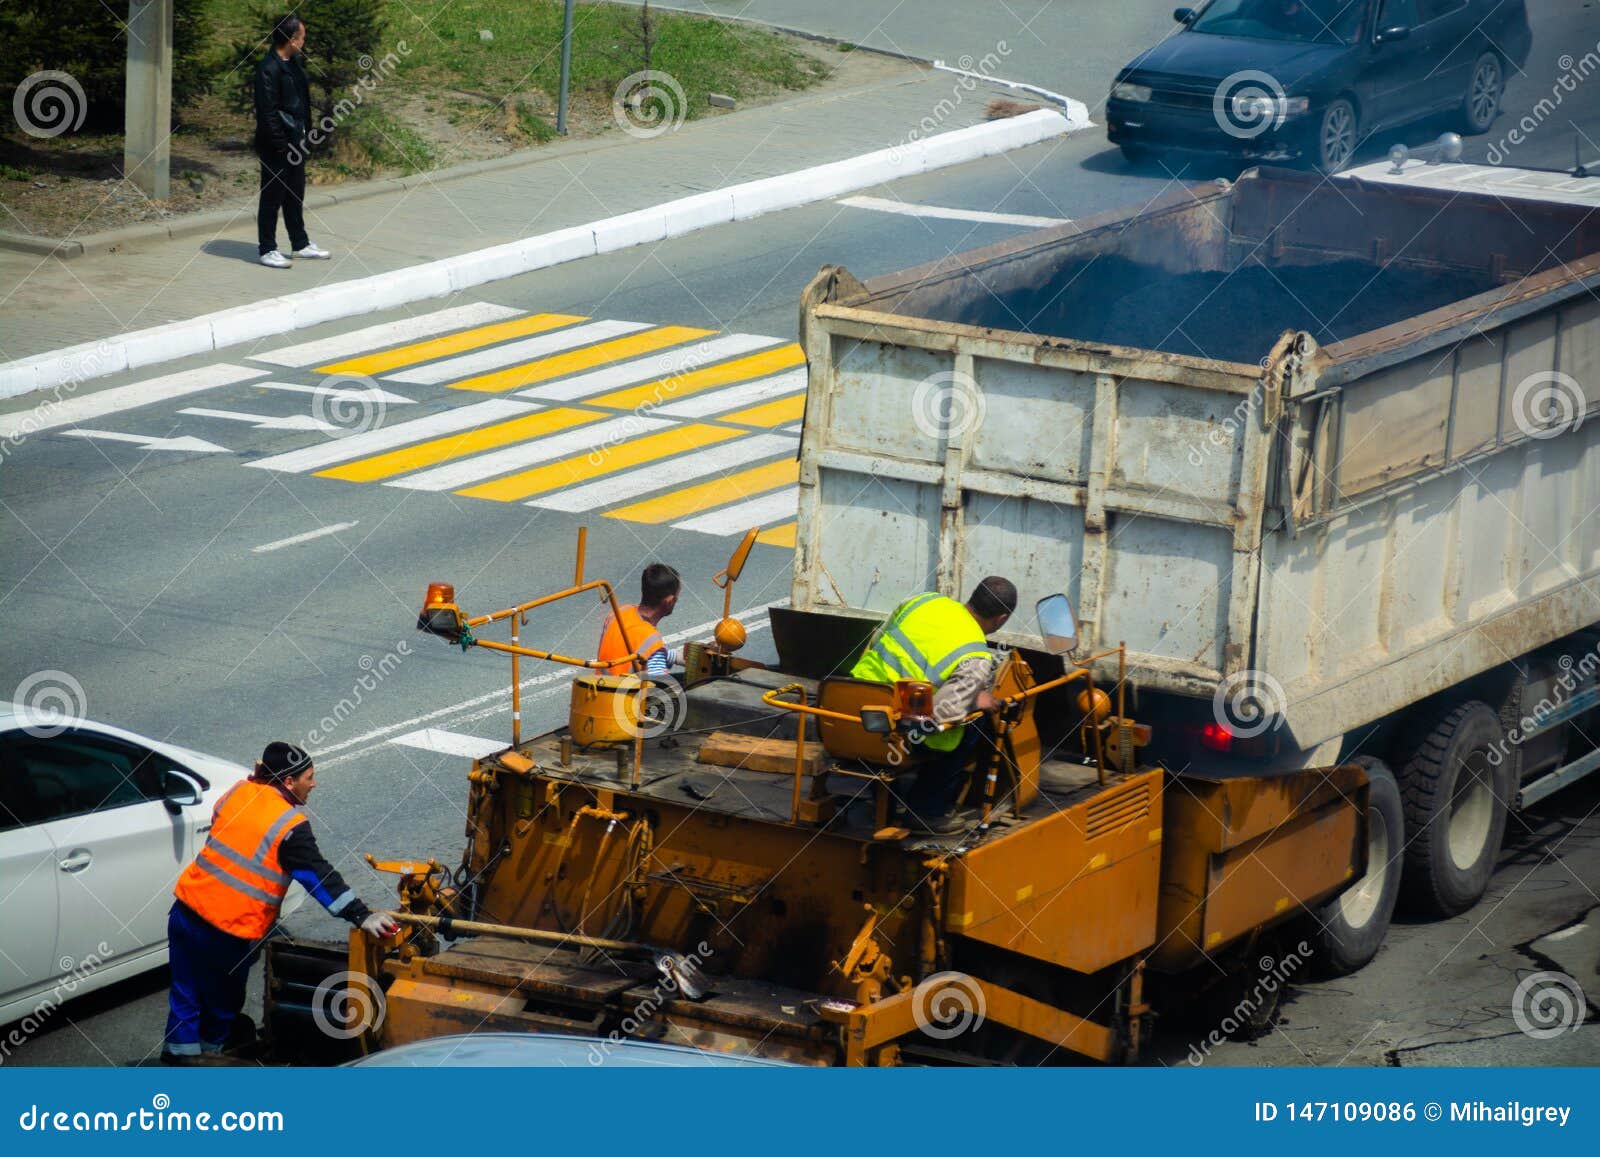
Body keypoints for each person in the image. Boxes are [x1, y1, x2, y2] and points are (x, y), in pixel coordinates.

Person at [162, 741, 397, 1064]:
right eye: (308, 777)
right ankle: (206, 1063)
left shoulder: (236, 794)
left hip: (185, 911)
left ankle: (178, 1055)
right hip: (226, 929)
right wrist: (362, 916)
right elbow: (317, 877)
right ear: (288, 782)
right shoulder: (289, 826)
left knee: (185, 993)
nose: (313, 784)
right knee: (221, 1003)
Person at [851, 576, 1017, 832]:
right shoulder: (976, 654)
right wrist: (974, 700)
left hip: (854, 699)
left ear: (973, 597)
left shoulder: (925, 601)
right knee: (970, 725)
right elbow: (943, 713)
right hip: (893, 729)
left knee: (898, 710)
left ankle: (883, 800)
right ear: (1002, 618)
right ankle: (926, 810)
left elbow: (878, 639)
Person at [253, 15, 330, 269]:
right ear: (291, 39)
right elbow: (268, 113)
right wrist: (281, 146)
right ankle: (267, 249)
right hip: (277, 145)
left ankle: (300, 243)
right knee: (272, 196)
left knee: (295, 194)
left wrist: (305, 134)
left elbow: (301, 103)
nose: (304, 41)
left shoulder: (293, 64)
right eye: (302, 37)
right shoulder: (269, 68)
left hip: (297, 141)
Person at [597, 563, 682, 677]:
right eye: (677, 597)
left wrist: (674, 656)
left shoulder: (619, 613)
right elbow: (659, 687)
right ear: (669, 601)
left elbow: (629, 650)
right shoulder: (651, 640)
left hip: (598, 687)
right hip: (624, 693)